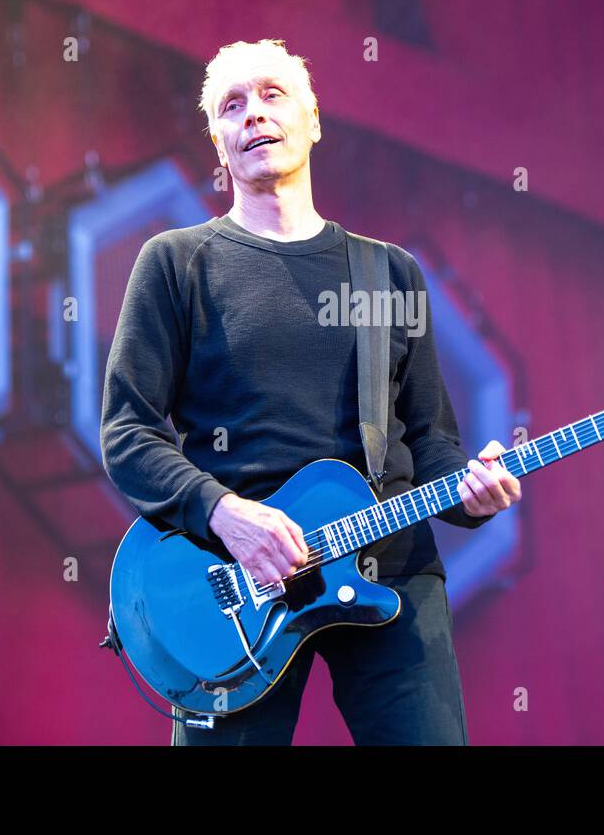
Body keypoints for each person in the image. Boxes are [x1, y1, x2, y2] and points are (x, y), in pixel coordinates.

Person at [99, 39, 520, 745]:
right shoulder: (176, 263)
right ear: (219, 144)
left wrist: (475, 493)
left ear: (314, 119)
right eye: (232, 106)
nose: (253, 115)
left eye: (272, 95)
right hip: (235, 580)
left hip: (388, 565)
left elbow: (431, 440)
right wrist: (226, 514)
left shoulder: (389, 273)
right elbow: (127, 434)